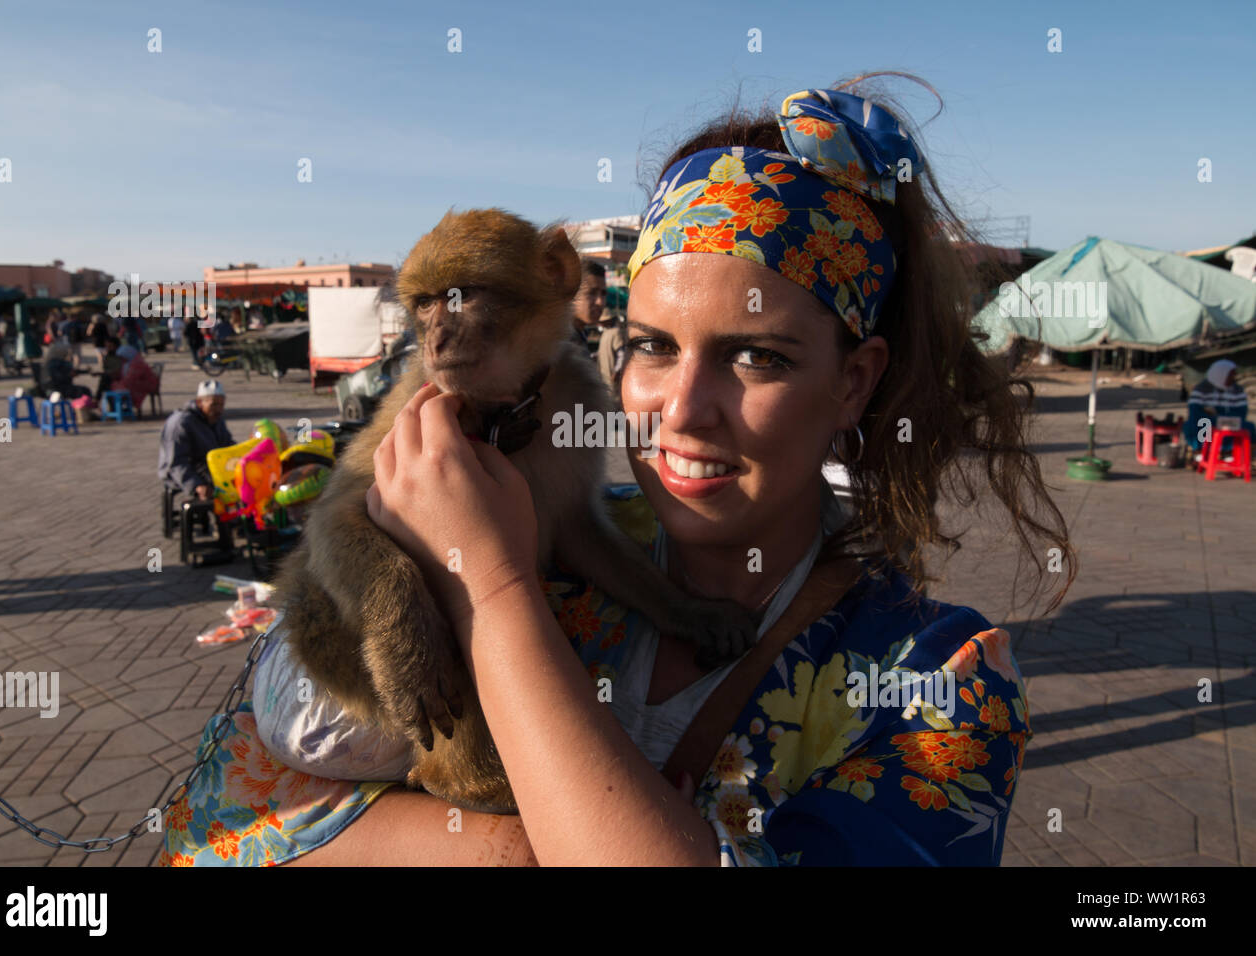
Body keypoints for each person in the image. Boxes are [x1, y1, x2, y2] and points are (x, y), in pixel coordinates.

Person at [160, 77, 1073, 867]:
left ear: (854, 383)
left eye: (757, 358)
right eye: (651, 348)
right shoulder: (528, 503)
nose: (680, 409)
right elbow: (225, 811)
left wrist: (494, 585)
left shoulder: (938, 682)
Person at [157, 380, 234, 501]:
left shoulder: (216, 419)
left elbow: (228, 446)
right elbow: (176, 463)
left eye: (221, 405)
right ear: (200, 402)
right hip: (181, 473)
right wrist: (196, 485)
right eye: (214, 405)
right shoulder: (181, 423)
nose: (218, 410)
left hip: (208, 468)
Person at [1183, 359, 1253, 460]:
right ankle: (1200, 450)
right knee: (1195, 425)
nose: (1233, 378)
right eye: (1230, 375)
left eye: (1233, 375)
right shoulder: (1202, 388)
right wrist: (1214, 418)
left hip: (1229, 420)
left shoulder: (1237, 390)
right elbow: (1194, 410)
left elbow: (1242, 411)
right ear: (1220, 374)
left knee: (1248, 427)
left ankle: (1228, 451)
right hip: (1206, 420)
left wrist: (1224, 418)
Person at [571, 260, 608, 356]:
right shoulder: (557, 344)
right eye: (592, 293)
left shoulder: (579, 336)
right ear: (572, 294)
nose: (600, 302)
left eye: (603, 294)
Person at [113, 344, 159, 413]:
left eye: (122, 357)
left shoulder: (137, 363)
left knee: (121, 387)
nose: (121, 359)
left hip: (148, 384)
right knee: (117, 386)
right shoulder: (128, 363)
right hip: (139, 382)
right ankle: (123, 407)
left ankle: (126, 407)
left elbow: (131, 378)